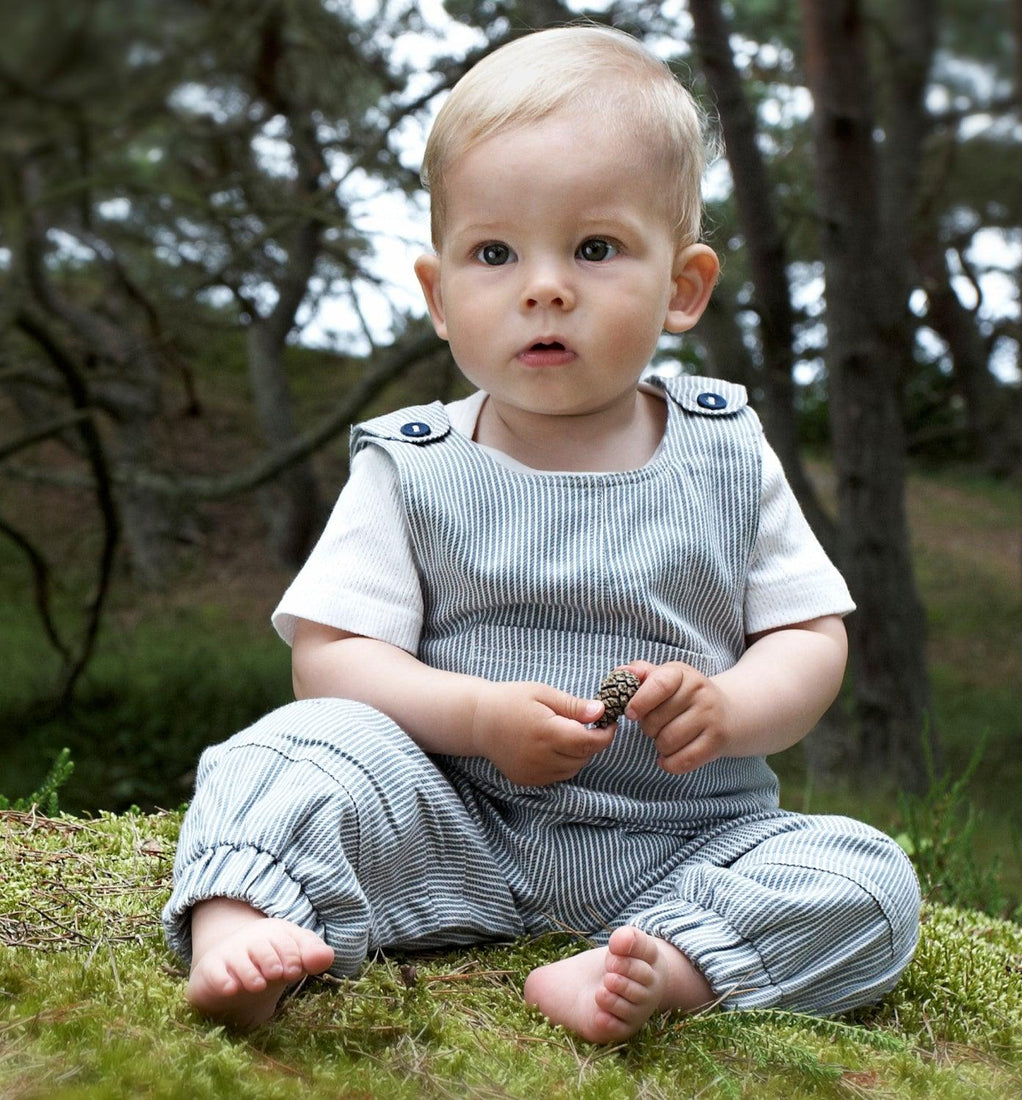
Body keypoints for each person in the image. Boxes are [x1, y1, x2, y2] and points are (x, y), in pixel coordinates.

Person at [162, 24, 921, 1042]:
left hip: (687, 838)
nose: (544, 285)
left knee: (867, 875)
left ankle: (663, 964)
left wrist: (731, 706)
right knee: (291, 748)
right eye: (493, 252)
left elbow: (808, 634)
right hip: (447, 818)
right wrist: (474, 717)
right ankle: (241, 927)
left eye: (595, 248)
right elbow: (332, 659)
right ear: (437, 295)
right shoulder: (414, 464)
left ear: (682, 286)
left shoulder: (723, 449)